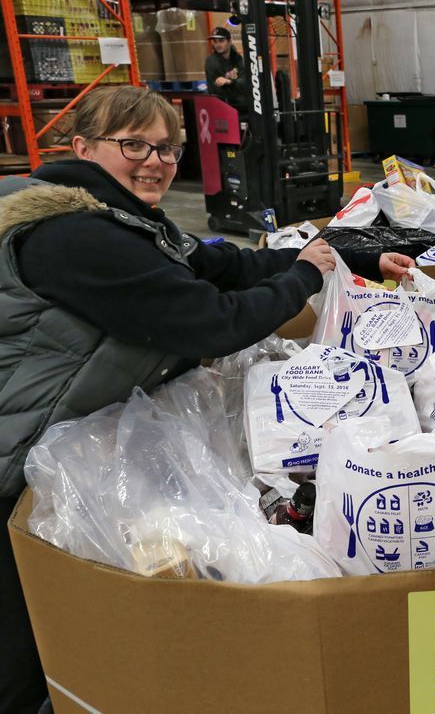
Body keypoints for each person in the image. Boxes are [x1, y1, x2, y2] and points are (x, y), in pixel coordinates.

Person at [0, 84, 414, 713]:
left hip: (76, 438)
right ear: (81, 147)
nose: (155, 162)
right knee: (27, 631)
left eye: (167, 149)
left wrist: (342, 254)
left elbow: (222, 265)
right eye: (132, 144)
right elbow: (212, 319)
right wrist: (305, 277)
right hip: (20, 456)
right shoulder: (71, 238)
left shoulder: (126, 220)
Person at [205, 26, 249, 113]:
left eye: (221, 41)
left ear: (229, 42)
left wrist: (229, 82)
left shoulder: (238, 58)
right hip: (223, 107)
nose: (217, 45)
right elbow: (218, 90)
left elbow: (246, 82)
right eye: (215, 42)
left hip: (242, 105)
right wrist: (237, 84)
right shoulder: (211, 61)